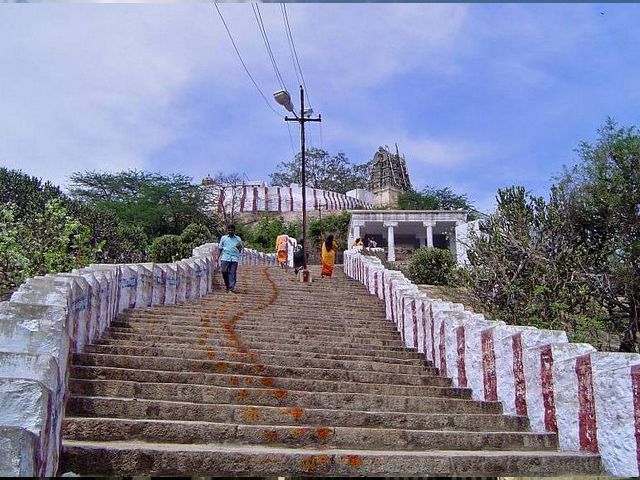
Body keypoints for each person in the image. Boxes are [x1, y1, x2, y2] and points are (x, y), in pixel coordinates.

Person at [218, 224, 244, 293]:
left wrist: (237, 252)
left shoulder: (238, 239)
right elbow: (220, 248)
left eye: (231, 230)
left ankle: (231, 287)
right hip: (225, 257)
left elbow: (240, 248)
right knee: (224, 271)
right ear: (227, 231)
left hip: (234, 258)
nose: (230, 231)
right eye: (229, 230)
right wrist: (217, 257)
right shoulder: (224, 238)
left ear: (234, 231)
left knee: (232, 273)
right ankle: (227, 285)